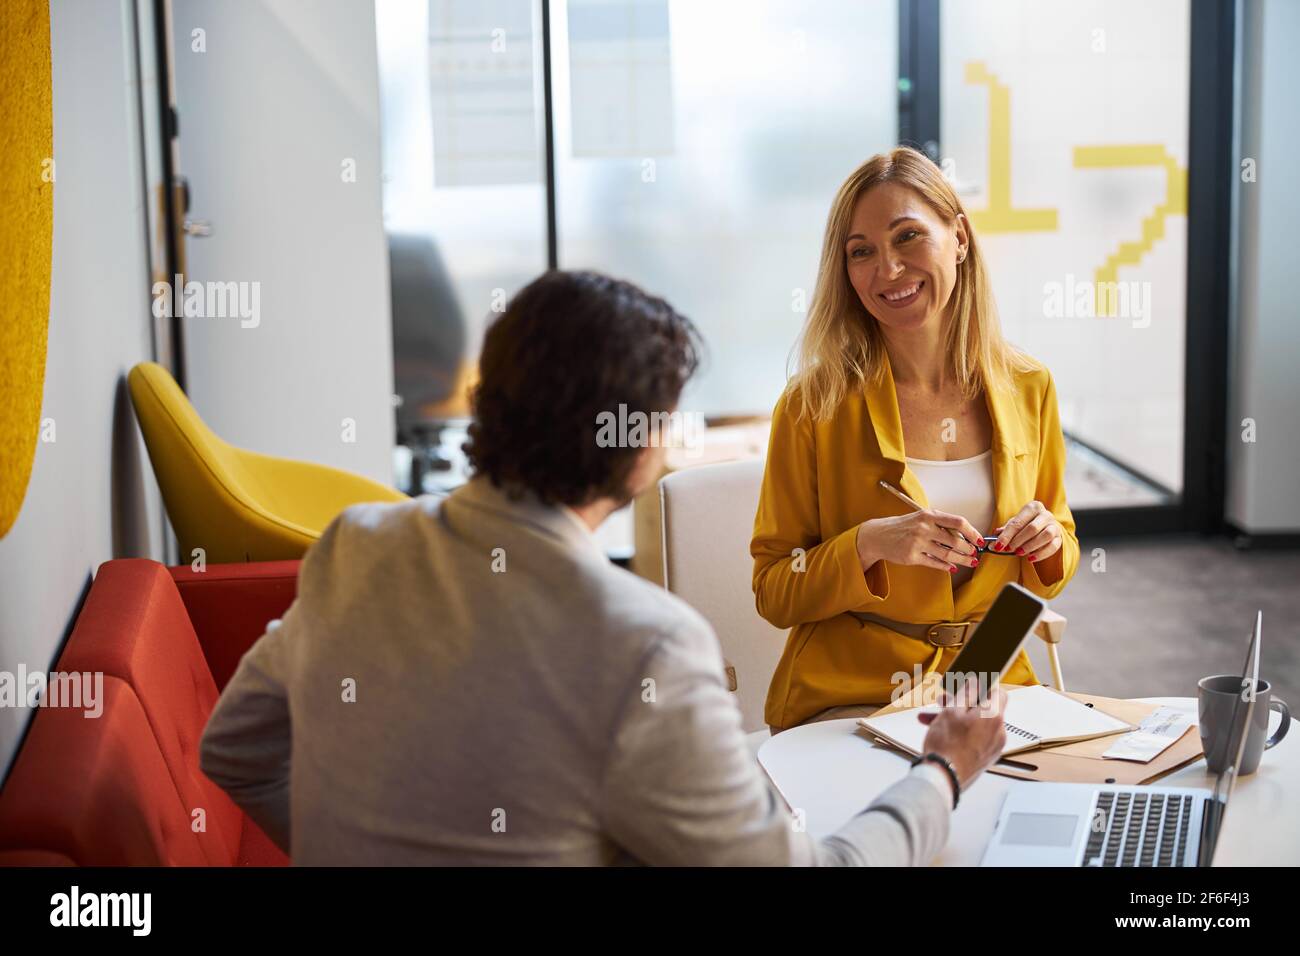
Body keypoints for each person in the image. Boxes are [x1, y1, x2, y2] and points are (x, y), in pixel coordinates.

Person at [201, 269, 1007, 866]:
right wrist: (945, 768)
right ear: (636, 444)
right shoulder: (645, 643)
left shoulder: (355, 545)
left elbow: (233, 750)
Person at [753, 147, 1079, 733]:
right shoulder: (812, 406)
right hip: (852, 695)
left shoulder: (1030, 385)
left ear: (959, 237)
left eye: (907, 237)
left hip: (992, 677)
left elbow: (1061, 545)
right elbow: (776, 590)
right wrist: (870, 544)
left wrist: (1049, 539)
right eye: (861, 252)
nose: (889, 271)